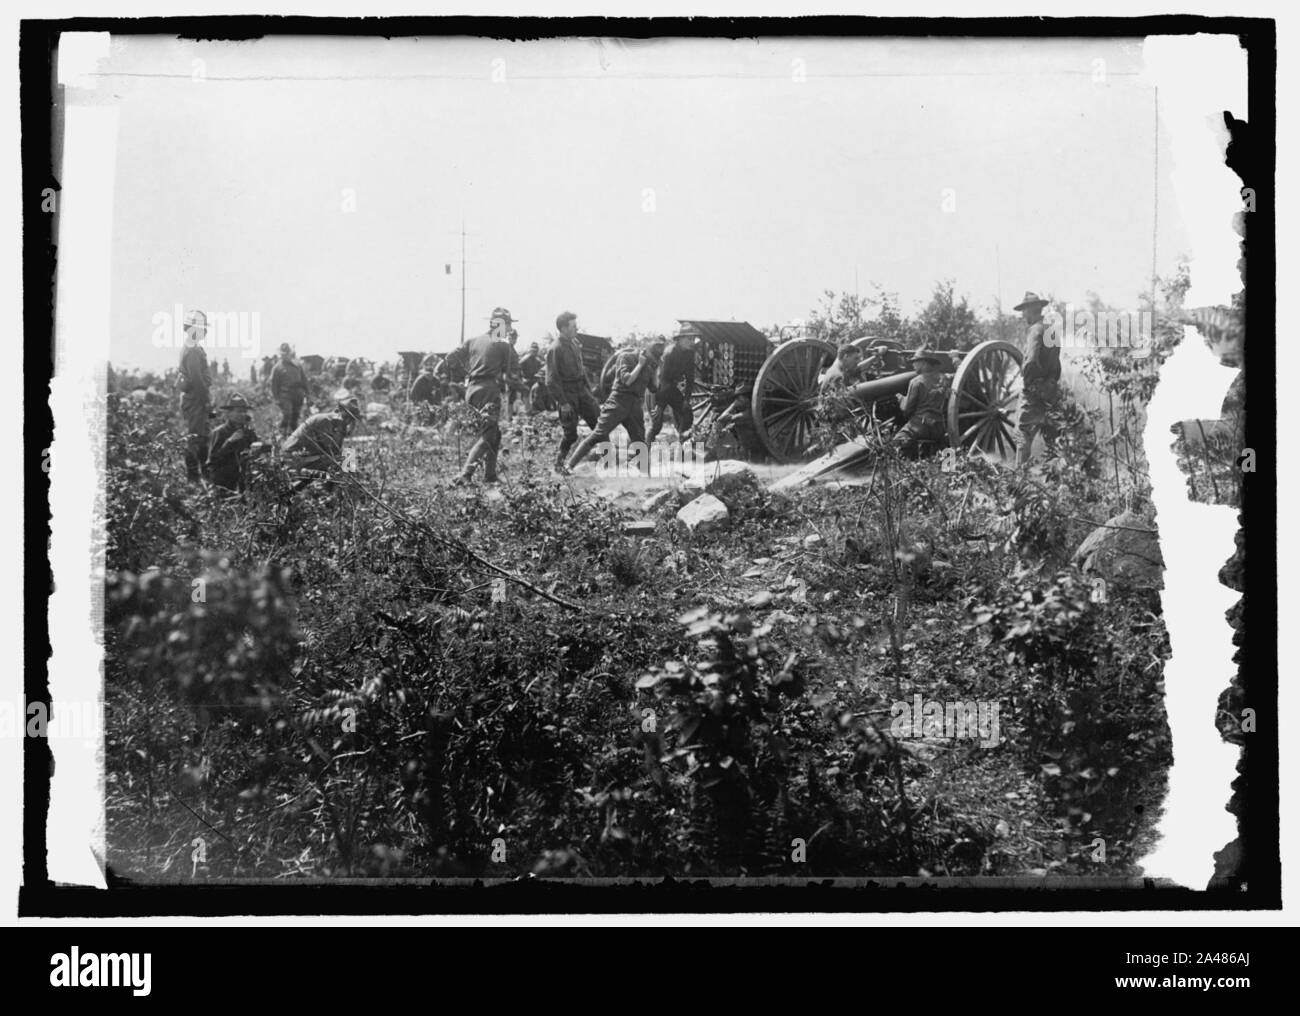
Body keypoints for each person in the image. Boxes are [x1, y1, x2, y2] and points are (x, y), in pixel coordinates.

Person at [563, 340, 663, 473]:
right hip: (618, 401)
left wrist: (655, 370)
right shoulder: (626, 357)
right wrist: (640, 365)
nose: (652, 361)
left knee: (639, 440)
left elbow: (654, 388)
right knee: (598, 434)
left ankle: (645, 474)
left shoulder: (650, 366)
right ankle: (569, 466)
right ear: (644, 352)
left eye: (654, 359)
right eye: (651, 357)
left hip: (635, 405)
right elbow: (627, 380)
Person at [451, 307, 516, 485]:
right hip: (488, 389)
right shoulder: (503, 345)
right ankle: (465, 474)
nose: (509, 329)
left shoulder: (472, 341)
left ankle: (490, 475)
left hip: (471, 389)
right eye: (508, 325)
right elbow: (508, 375)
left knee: (495, 434)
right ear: (501, 326)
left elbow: (450, 358)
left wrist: (466, 373)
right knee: (488, 435)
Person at [546, 311, 601, 472]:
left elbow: (581, 371)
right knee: (571, 435)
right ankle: (558, 465)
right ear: (563, 328)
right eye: (573, 326)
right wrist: (563, 403)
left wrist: (589, 394)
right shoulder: (555, 349)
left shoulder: (575, 344)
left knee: (600, 427)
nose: (576, 329)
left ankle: (608, 462)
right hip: (567, 394)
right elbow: (551, 380)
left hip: (581, 391)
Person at [1013, 291, 1061, 466]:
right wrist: (1050, 382)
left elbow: (1031, 360)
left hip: (1033, 393)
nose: (1023, 315)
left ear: (1031, 310)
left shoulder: (1035, 330)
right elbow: (1056, 363)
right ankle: (1059, 482)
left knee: (1023, 434)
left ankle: (1018, 482)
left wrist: (1029, 381)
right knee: (1053, 439)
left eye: (1024, 311)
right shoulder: (1052, 330)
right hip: (1051, 391)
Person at [283, 390, 364, 478]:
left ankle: (346, 486)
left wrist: (347, 431)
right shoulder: (324, 421)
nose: (348, 421)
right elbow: (330, 451)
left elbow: (341, 450)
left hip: (307, 457)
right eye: (347, 418)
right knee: (342, 461)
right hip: (292, 458)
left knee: (348, 459)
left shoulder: (335, 425)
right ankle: (337, 488)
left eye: (351, 420)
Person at [892, 347, 949, 458]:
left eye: (915, 362)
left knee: (898, 440)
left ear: (923, 363)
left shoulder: (916, 382)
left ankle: (905, 467)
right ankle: (948, 468)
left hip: (920, 426)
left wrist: (900, 399)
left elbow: (908, 410)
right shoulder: (944, 378)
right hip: (940, 428)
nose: (913, 365)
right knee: (946, 445)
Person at [177, 309, 213, 482]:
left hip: (196, 397)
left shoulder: (194, 347)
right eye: (201, 328)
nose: (204, 331)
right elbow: (197, 379)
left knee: (202, 436)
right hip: (196, 398)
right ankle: (193, 477)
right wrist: (205, 400)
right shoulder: (192, 350)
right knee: (195, 438)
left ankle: (202, 474)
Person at [206, 393, 261, 492]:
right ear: (229, 413)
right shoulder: (219, 432)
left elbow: (257, 456)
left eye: (244, 411)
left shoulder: (249, 433)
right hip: (225, 483)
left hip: (246, 482)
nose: (243, 414)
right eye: (239, 411)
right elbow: (213, 461)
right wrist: (230, 442)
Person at [647, 332, 696, 443]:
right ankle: (644, 452)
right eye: (689, 338)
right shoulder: (669, 353)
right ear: (680, 339)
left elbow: (690, 378)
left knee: (687, 413)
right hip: (657, 388)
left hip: (671, 388)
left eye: (693, 339)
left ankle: (683, 445)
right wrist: (660, 405)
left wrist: (686, 400)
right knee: (656, 424)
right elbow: (662, 379)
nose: (692, 342)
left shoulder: (690, 354)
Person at [269, 342, 310, 435]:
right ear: (281, 355)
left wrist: (308, 394)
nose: (285, 356)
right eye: (283, 354)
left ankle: (293, 436)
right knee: (287, 414)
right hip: (285, 395)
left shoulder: (297, 365)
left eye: (287, 354)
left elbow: (304, 380)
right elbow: (274, 385)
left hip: (298, 394)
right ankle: (281, 433)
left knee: (295, 416)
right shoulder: (277, 368)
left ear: (290, 353)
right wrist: (276, 398)